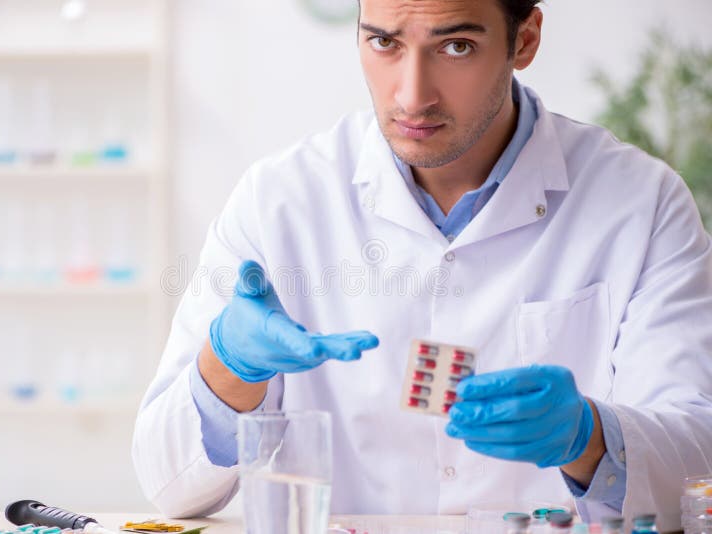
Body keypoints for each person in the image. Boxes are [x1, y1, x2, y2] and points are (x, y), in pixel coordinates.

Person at [132, 0, 712, 530]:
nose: (411, 96)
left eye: (455, 46)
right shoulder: (277, 200)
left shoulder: (642, 201)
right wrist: (228, 369)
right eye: (384, 43)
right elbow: (169, 486)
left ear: (525, 39)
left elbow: (699, 457)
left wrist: (591, 438)